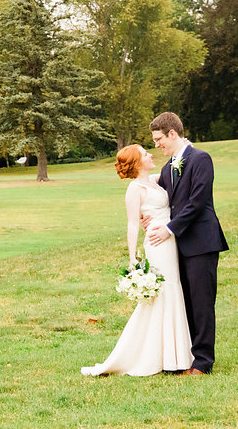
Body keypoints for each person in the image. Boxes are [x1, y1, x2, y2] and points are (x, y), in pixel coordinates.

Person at [81, 143, 194, 376]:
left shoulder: (152, 181)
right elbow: (133, 223)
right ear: (137, 162)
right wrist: (133, 257)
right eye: (145, 153)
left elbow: (173, 171)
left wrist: (186, 146)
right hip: (156, 244)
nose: (150, 154)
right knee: (164, 293)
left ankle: (175, 355)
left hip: (170, 240)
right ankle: (163, 357)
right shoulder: (134, 189)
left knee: (172, 291)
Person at [145, 111, 229, 375]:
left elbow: (197, 201)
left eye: (159, 139)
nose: (157, 144)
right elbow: (168, 203)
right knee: (186, 303)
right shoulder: (167, 167)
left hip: (202, 242)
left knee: (202, 303)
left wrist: (169, 229)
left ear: (172, 133)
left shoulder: (201, 159)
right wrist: (152, 218)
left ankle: (203, 362)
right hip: (178, 247)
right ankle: (186, 357)